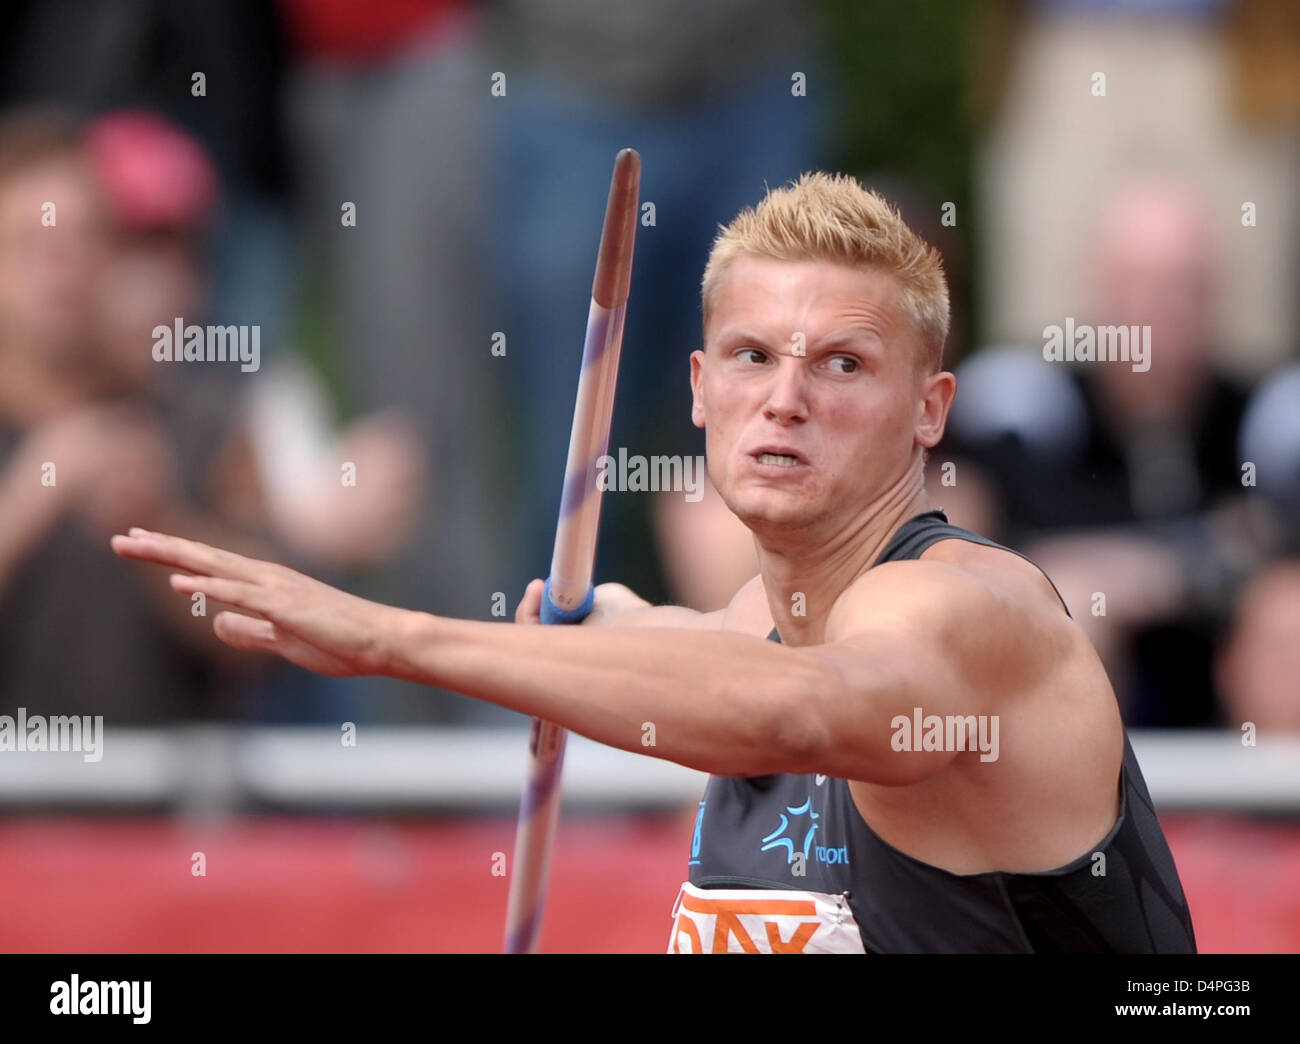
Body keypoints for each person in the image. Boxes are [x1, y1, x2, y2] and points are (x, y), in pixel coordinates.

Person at [111, 172, 1197, 953]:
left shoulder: (967, 610)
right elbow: (691, 654)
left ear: (929, 410)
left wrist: (387, 638)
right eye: (752, 356)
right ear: (695, 388)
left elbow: (799, 713)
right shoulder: (740, 636)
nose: (784, 398)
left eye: (843, 365)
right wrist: (602, 628)